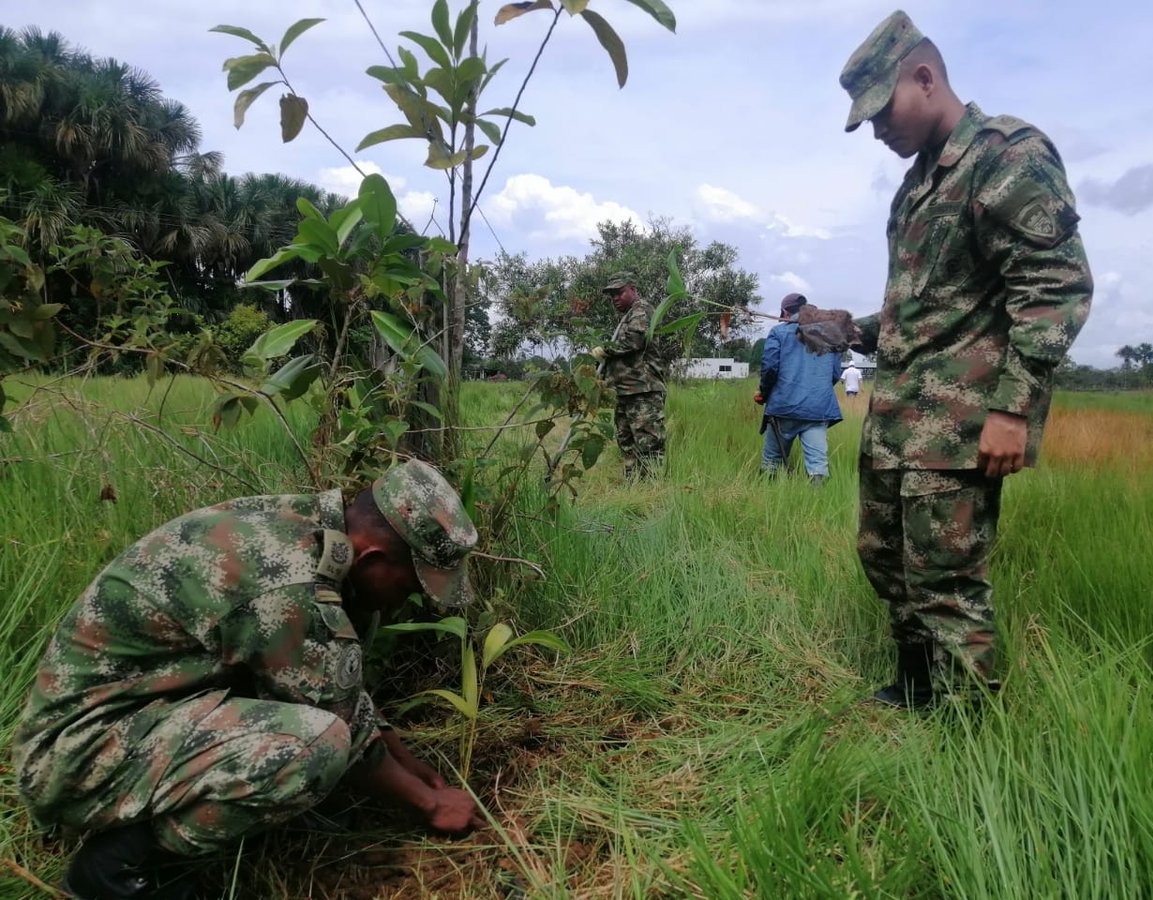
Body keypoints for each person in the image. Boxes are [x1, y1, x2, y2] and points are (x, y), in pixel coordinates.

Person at [13, 459, 487, 899]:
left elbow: (331, 685)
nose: (406, 602)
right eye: (408, 585)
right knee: (315, 746)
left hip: (138, 715)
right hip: (80, 754)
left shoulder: (310, 530)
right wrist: (429, 805)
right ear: (371, 559)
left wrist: (410, 764)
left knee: (325, 732)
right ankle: (115, 866)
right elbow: (333, 720)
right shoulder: (291, 583)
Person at [839, 10, 1092, 708]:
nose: (879, 130)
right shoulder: (916, 185)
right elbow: (926, 308)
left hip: (960, 425)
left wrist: (1013, 410)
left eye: (882, 111)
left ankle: (967, 727)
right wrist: (849, 330)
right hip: (898, 421)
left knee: (946, 578)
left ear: (924, 77)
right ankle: (917, 688)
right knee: (886, 558)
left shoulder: (1006, 156)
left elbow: (1054, 289)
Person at [754, 293, 843, 483]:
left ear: (785, 312)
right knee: (818, 466)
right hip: (817, 409)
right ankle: (817, 504)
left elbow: (770, 369)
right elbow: (835, 374)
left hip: (783, 407)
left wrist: (764, 393)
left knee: (771, 462)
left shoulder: (778, 333)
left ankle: (768, 499)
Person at [590, 271, 668, 480]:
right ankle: (633, 488)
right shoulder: (627, 315)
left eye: (619, 292)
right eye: (611, 295)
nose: (615, 298)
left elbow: (634, 341)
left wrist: (606, 349)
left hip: (644, 390)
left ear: (632, 289)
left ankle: (652, 493)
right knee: (627, 443)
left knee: (649, 445)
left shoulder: (642, 309)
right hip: (625, 391)